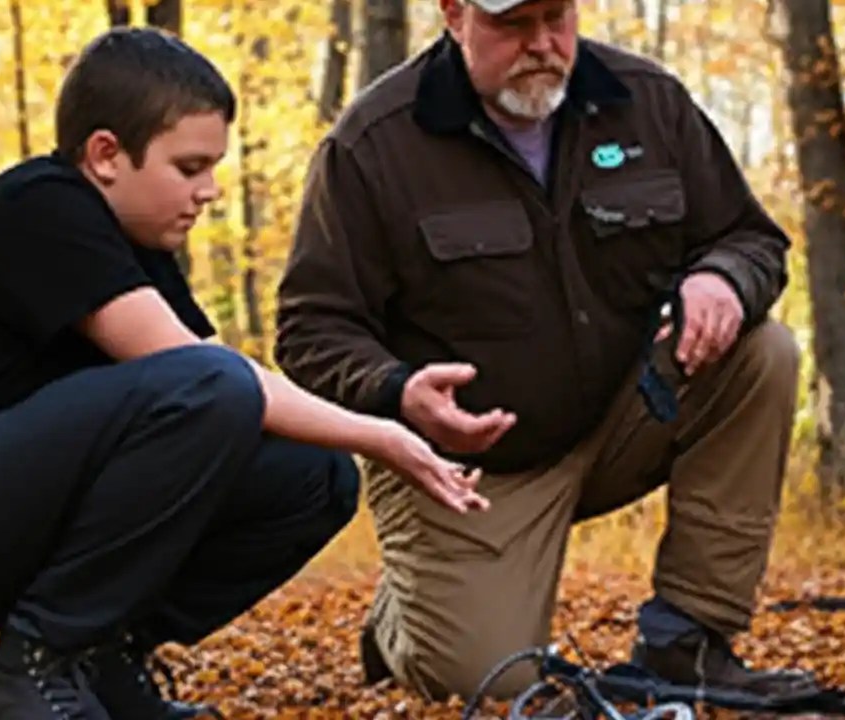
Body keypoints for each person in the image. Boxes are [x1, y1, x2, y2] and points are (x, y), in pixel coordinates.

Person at [0, 27, 487, 720]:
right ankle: (31, 665)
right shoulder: (40, 206)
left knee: (311, 476)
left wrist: (381, 419)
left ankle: (102, 657)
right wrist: (384, 437)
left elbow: (233, 384)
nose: (208, 192)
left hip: (11, 514)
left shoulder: (137, 244)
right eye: (190, 167)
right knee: (210, 388)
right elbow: (204, 376)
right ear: (106, 154)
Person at [275, 0, 816, 705]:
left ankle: (688, 640)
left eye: (556, 17)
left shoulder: (650, 103)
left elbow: (750, 238)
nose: (542, 44)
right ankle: (404, 620)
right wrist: (399, 390)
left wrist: (723, 279)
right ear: (453, 13)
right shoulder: (374, 143)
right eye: (513, 23)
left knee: (764, 352)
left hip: (627, 417)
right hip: (469, 465)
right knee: (487, 679)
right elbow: (310, 326)